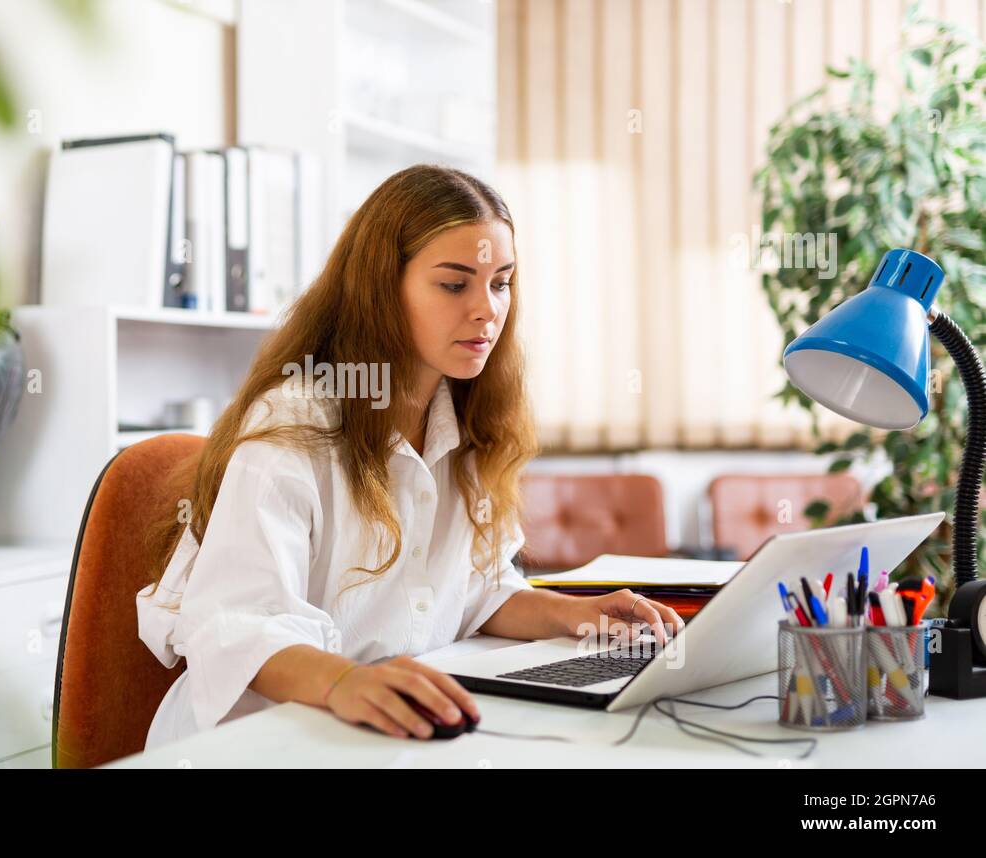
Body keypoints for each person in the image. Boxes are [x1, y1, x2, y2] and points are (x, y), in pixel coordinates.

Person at [137, 164, 683, 750]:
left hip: (383, 732)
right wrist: (345, 680)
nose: (487, 310)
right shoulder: (296, 420)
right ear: (380, 289)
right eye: (455, 284)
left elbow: (475, 590)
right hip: (265, 736)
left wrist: (573, 612)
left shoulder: (470, 420)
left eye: (501, 282)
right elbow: (238, 623)